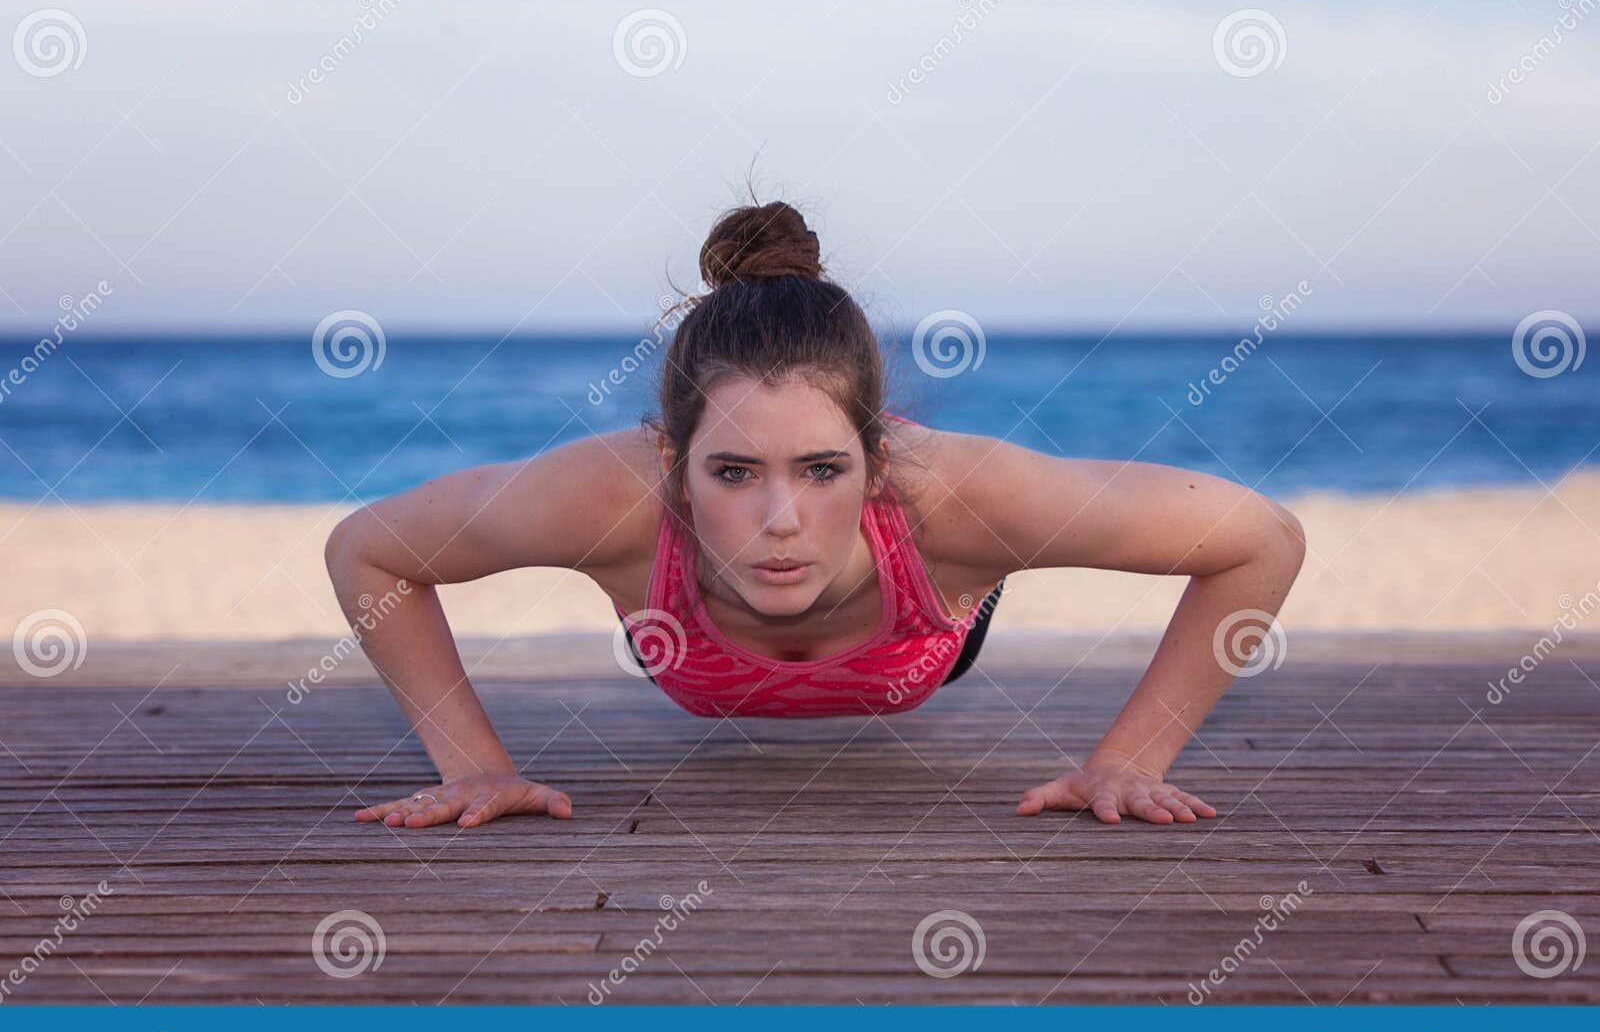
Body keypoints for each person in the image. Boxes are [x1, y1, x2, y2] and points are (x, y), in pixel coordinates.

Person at [326, 199, 1306, 832]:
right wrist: (472, 766)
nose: (780, 518)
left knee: (956, 512)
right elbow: (369, 549)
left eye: (825, 468)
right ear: (672, 464)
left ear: (876, 462)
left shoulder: (957, 499)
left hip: (930, 619)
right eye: (734, 469)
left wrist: (1130, 759)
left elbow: (1261, 537)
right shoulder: (611, 497)